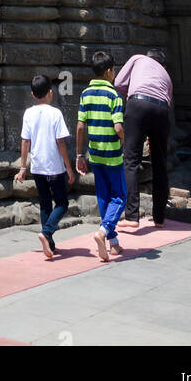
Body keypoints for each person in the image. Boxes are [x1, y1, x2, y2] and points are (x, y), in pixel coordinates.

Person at [14, 73, 76, 260]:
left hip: (38, 166)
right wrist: (69, 168)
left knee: (45, 203)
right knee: (63, 203)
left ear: (33, 95)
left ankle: (49, 243)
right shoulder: (55, 113)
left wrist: (23, 167)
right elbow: (61, 143)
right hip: (55, 167)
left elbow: (25, 141)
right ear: (51, 92)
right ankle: (47, 233)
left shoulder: (28, 113)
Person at [114, 47, 173, 229]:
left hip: (138, 103)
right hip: (162, 110)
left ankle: (132, 216)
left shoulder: (137, 58)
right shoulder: (166, 74)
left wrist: (132, 95)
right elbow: (167, 100)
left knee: (131, 160)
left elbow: (118, 83)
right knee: (160, 163)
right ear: (162, 63)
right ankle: (159, 218)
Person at [76, 51, 126, 263]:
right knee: (120, 196)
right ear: (108, 72)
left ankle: (112, 243)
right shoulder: (114, 96)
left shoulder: (85, 94)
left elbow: (80, 126)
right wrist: (123, 140)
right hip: (113, 155)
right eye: (114, 70)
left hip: (95, 154)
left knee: (104, 196)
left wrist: (79, 154)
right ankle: (104, 231)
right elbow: (118, 126)